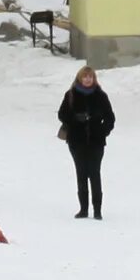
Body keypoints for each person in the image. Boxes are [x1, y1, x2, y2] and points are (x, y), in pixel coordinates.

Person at [58, 66, 116, 218]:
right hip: (76, 141)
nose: (88, 79)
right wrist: (76, 118)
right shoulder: (70, 95)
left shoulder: (101, 96)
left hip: (96, 142)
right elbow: (62, 114)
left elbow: (110, 118)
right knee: (81, 173)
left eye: (90, 77)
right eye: (85, 77)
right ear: (79, 78)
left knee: (94, 173)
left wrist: (103, 131)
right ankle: (83, 209)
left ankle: (97, 210)